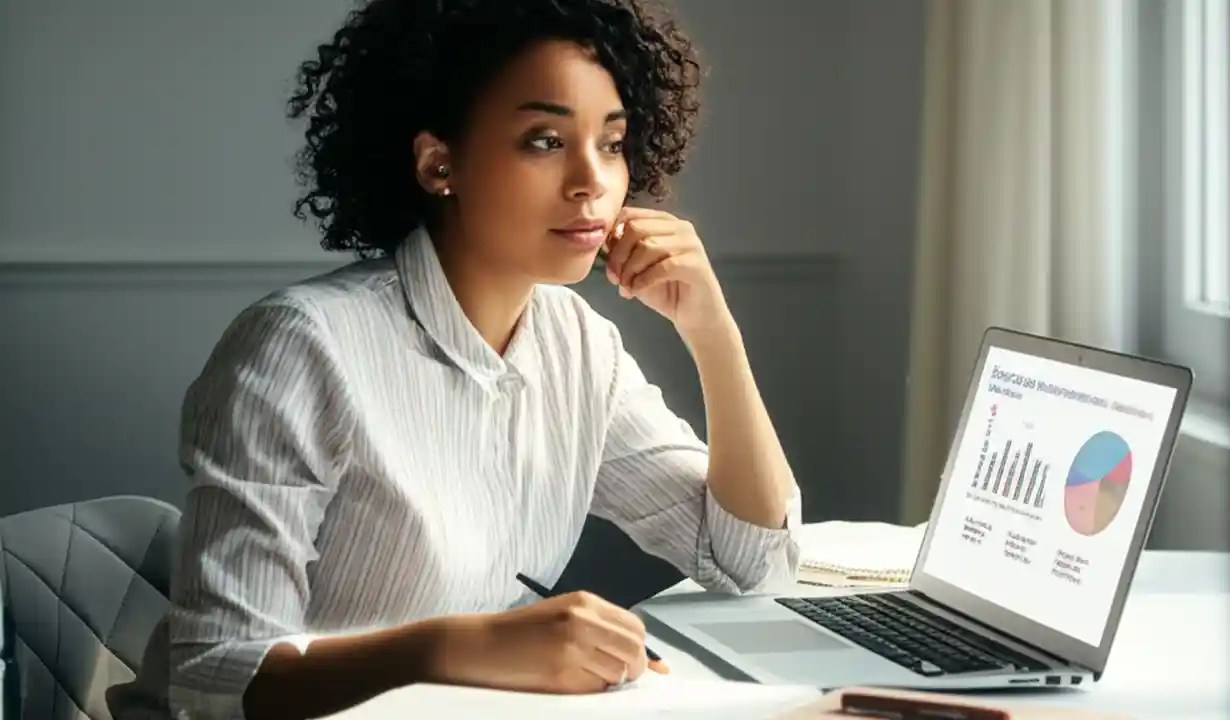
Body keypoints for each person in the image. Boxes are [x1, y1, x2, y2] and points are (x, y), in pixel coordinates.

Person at [107, 0, 801, 718]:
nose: (591, 179)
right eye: (545, 140)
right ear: (439, 163)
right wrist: (454, 648)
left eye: (612, 142)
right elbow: (214, 678)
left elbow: (753, 562)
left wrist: (712, 331)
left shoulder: (578, 345)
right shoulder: (300, 346)